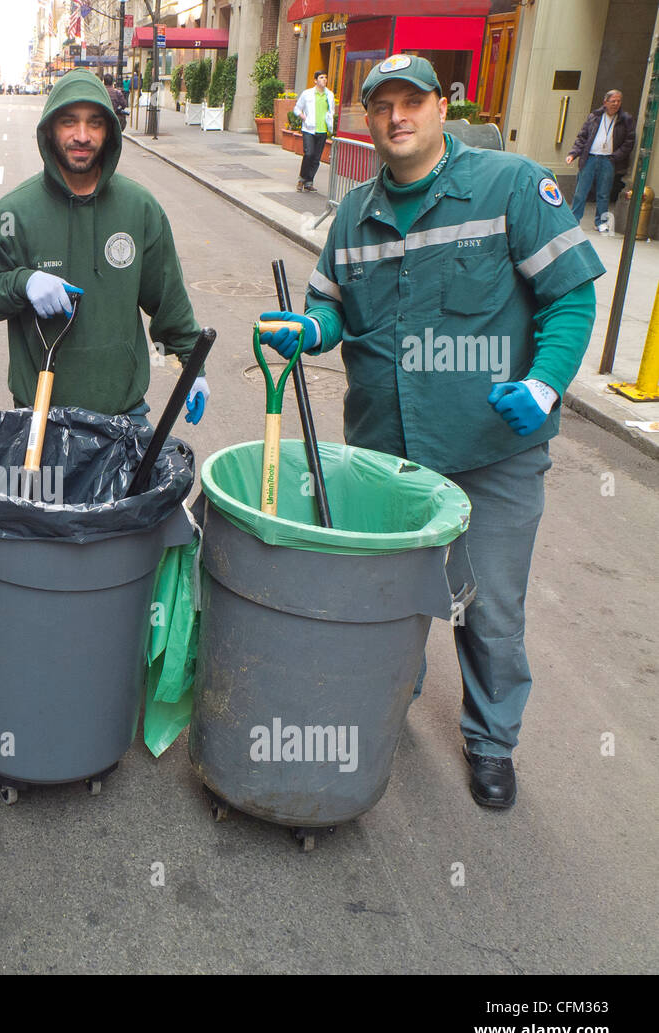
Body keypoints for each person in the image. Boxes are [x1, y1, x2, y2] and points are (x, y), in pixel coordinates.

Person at [258, 55, 605, 810]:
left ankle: (490, 743)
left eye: (410, 101)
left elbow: (570, 297)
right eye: (380, 105)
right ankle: (388, 696)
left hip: (490, 453)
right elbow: (333, 310)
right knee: (390, 595)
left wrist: (544, 383)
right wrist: (305, 330)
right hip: (387, 458)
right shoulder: (353, 214)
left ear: (440, 108)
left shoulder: (509, 187)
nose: (395, 117)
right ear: (368, 118)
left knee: (490, 610)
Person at [0, 68, 205, 428]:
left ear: (109, 132)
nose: (82, 136)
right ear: (50, 130)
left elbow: (167, 301)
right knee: (45, 488)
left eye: (95, 123)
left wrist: (192, 366)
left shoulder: (139, 208)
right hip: (41, 416)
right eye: (69, 122)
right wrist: (22, 283)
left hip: (124, 415)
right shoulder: (15, 212)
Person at [566, 89, 636, 232]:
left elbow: (629, 141)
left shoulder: (625, 119)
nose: (616, 104)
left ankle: (601, 222)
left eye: (618, 101)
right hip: (590, 157)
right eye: (613, 101)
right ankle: (574, 220)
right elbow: (582, 137)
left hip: (608, 159)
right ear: (605, 102)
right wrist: (573, 154)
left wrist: (616, 156)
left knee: (604, 193)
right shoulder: (595, 116)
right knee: (581, 191)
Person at [293, 70, 336, 192]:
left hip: (322, 130)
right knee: (309, 154)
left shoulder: (329, 95)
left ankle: (309, 182)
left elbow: (331, 111)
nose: (324, 80)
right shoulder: (307, 94)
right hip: (309, 129)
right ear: (315, 80)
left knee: (316, 158)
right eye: (321, 77)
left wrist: (330, 123)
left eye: (325, 77)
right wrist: (303, 117)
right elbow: (297, 108)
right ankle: (302, 178)